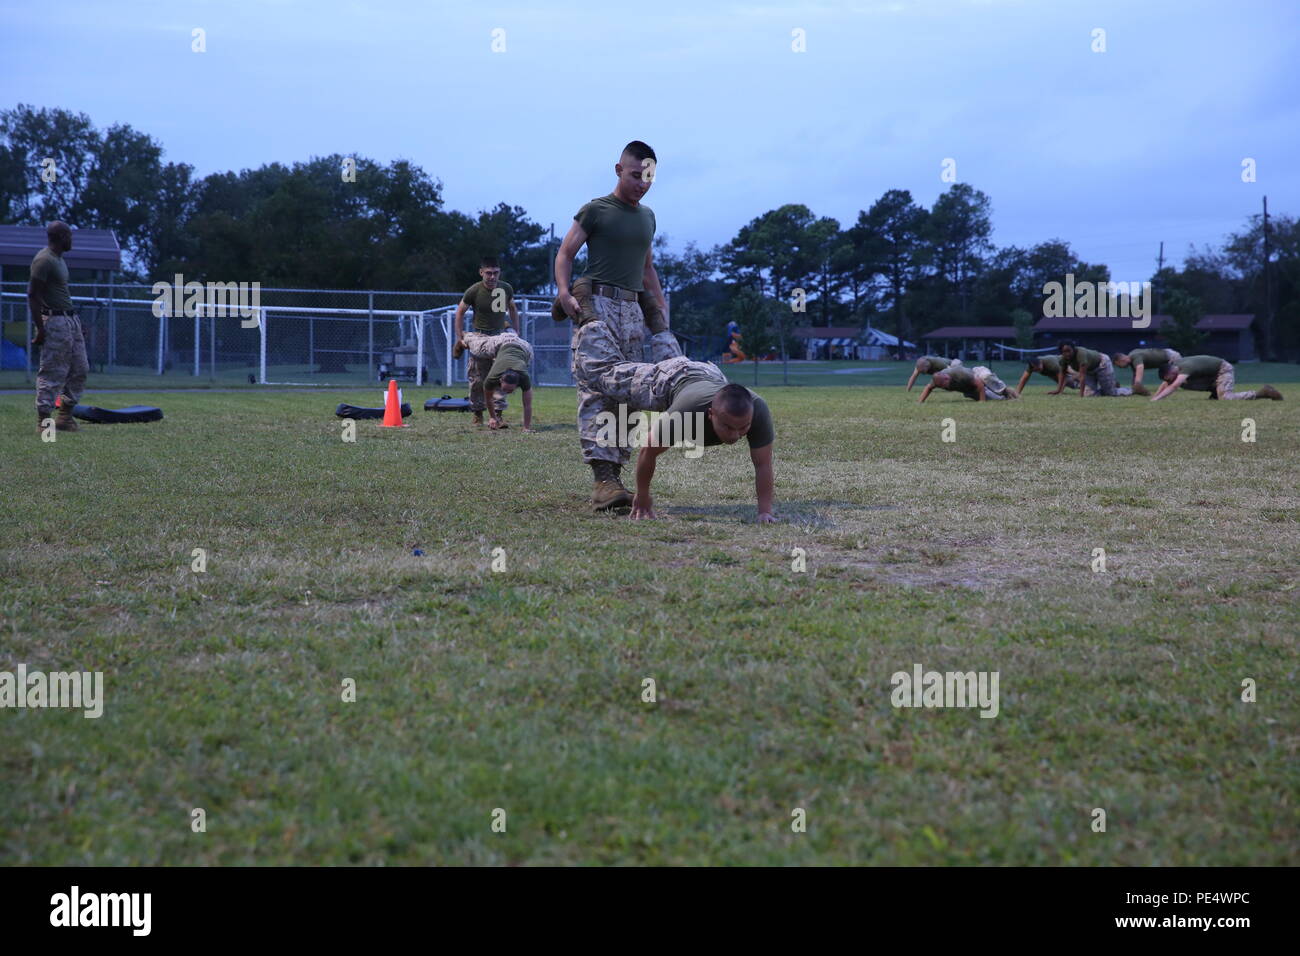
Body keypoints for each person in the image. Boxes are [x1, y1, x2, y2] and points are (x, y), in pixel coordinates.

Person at [554, 140, 682, 510]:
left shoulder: (648, 217)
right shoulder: (596, 210)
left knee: (629, 390)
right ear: (617, 170)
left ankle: (615, 476)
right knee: (597, 387)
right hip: (597, 305)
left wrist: (659, 306)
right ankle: (602, 479)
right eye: (635, 175)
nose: (642, 183)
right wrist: (564, 292)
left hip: (633, 311)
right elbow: (566, 253)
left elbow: (646, 268)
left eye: (649, 177)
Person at [573, 344, 775, 522]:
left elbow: (763, 464)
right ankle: (591, 345)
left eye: (743, 428)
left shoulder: (758, 410)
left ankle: (659, 323)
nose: (735, 435)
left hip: (710, 375)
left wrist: (764, 512)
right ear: (710, 414)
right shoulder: (685, 413)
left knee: (672, 354)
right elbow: (648, 452)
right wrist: (642, 497)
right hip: (671, 378)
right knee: (607, 380)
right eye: (728, 427)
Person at [29, 221, 87, 434]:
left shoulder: (59, 260)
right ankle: (44, 422)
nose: (71, 240)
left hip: (69, 320)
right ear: (62, 237)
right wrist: (41, 328)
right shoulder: (44, 260)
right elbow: (33, 295)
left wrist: (76, 324)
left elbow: (62, 294)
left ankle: (64, 417)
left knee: (80, 368)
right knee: (53, 371)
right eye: (70, 236)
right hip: (53, 321)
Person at [453, 256, 518, 425]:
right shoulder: (474, 290)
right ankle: (477, 412)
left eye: (495, 273)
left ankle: (498, 414)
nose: (492, 277)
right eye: (488, 273)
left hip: (499, 337)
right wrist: (460, 337)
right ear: (481, 272)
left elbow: (512, 308)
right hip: (480, 338)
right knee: (477, 378)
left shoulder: (506, 288)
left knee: (502, 376)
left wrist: (516, 331)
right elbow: (459, 312)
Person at [1150, 355, 1282, 401]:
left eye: (1169, 378)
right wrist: (1155, 397)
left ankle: (1263, 393)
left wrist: (1158, 399)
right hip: (1212, 374)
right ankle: (1215, 392)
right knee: (1184, 383)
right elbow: (1166, 383)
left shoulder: (1185, 368)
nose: (1169, 381)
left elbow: (1173, 386)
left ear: (1171, 372)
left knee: (1226, 398)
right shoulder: (1175, 367)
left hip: (1223, 370)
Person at [475, 331, 535, 431]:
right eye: (505, 389)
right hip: (504, 342)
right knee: (477, 349)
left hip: (525, 348)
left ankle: (510, 329)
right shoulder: (492, 378)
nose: (506, 392)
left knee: (525, 356)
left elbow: (527, 405)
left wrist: (526, 428)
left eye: (510, 390)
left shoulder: (524, 378)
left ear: (517, 384)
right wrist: (492, 417)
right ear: (500, 380)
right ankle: (466, 338)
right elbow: (489, 399)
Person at [918, 364, 1018, 402]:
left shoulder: (959, 373)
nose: (944, 387)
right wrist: (920, 402)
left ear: (946, 377)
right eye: (941, 386)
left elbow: (979, 383)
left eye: (944, 384)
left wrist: (982, 402)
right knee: (996, 399)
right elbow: (928, 388)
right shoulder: (937, 380)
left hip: (977, 374)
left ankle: (1006, 390)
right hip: (970, 388)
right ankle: (1007, 398)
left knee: (986, 378)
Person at [1052, 341, 1118, 397]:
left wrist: (1081, 395)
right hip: (1089, 370)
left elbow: (1082, 376)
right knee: (1089, 394)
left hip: (1102, 364)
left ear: (1073, 349)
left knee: (1110, 393)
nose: (1067, 354)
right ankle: (1108, 387)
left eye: (1069, 351)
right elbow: (1062, 374)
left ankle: (1125, 390)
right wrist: (1058, 390)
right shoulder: (1063, 359)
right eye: (1064, 352)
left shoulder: (1081, 354)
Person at [1112, 347, 1180, 395]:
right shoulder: (1133, 360)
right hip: (1167, 357)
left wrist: (1137, 383)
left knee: (1182, 377)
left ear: (1121, 360)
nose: (1120, 367)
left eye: (1119, 365)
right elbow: (1136, 374)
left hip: (1171, 357)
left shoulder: (1134, 356)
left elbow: (1140, 367)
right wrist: (1134, 388)